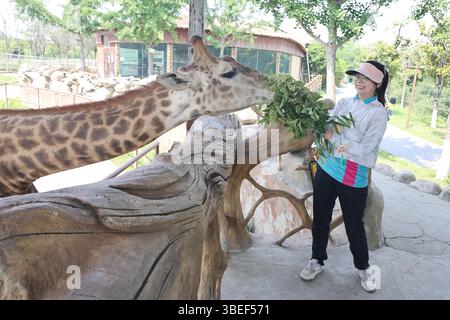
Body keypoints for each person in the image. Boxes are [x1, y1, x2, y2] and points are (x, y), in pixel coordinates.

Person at [300, 61, 389, 293]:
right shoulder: (344, 102)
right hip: (327, 169)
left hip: (352, 176)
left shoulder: (378, 114)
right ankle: (317, 259)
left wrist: (336, 139)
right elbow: (328, 125)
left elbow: (367, 149)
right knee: (320, 219)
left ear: (378, 83)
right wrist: (322, 128)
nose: (359, 81)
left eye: (366, 78)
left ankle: (363, 267)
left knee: (353, 227)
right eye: (357, 76)